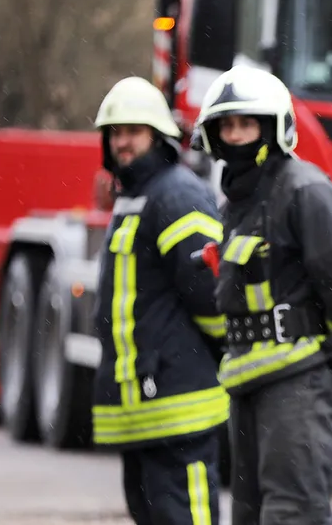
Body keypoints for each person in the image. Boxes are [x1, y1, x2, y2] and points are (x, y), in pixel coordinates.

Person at [192, 65, 332, 525]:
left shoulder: (305, 190)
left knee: (293, 515)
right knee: (248, 516)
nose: (235, 136)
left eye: (246, 124)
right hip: (246, 387)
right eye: (227, 126)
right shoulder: (235, 204)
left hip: (298, 387)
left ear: (273, 128)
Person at [90, 76, 227, 525]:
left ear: (158, 136)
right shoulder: (136, 195)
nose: (122, 142)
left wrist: (203, 358)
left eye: (133, 131)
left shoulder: (177, 194)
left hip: (178, 407)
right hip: (147, 409)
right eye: (115, 132)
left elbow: (211, 296)